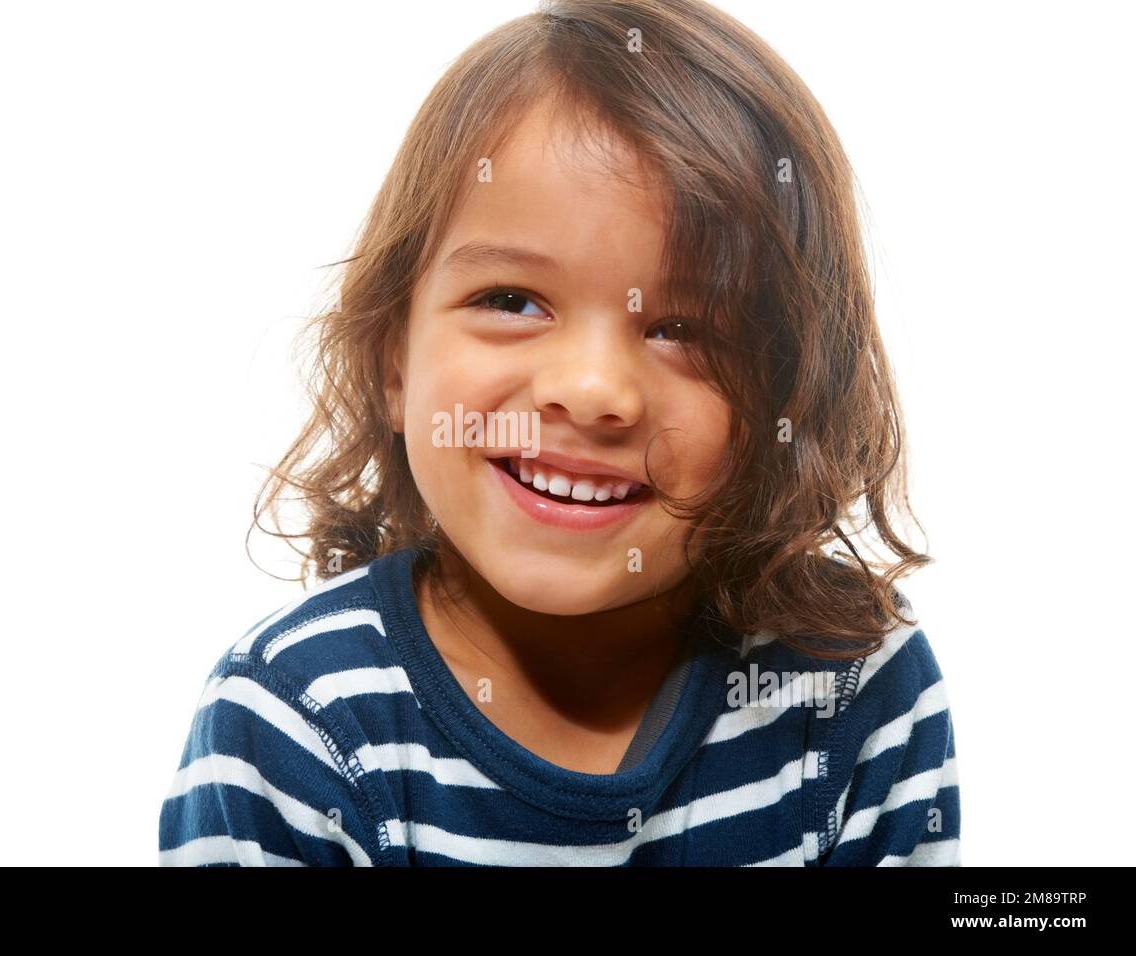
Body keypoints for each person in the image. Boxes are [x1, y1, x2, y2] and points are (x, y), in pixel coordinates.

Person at [158, 0, 960, 866]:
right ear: (396, 359)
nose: (591, 391)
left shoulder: (853, 685)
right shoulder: (296, 718)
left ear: (791, 394)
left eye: (684, 329)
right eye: (511, 302)